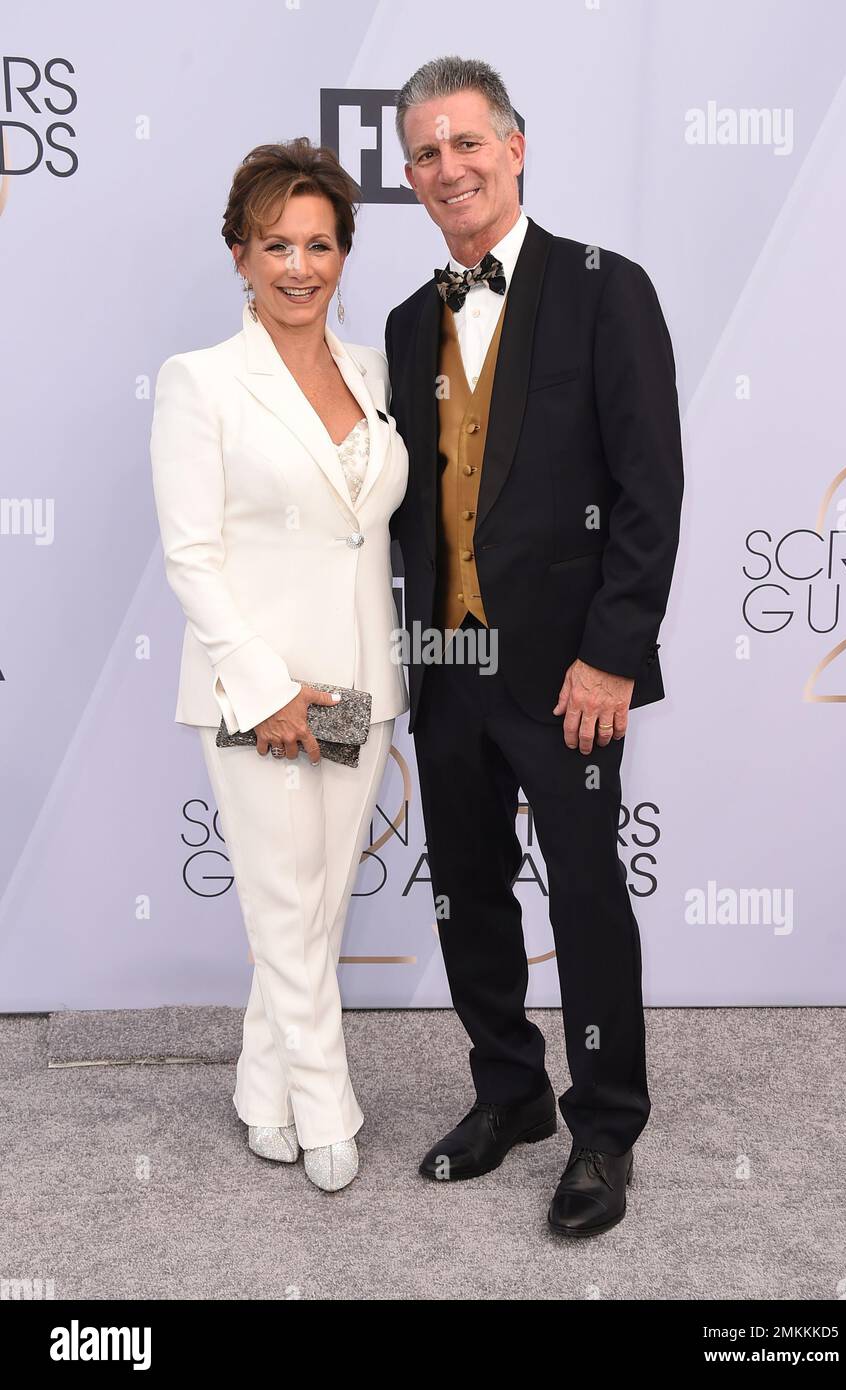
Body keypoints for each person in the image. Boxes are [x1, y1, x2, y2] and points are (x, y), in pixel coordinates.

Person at [386, 57, 684, 1235]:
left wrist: (611, 656)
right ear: (407, 176)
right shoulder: (412, 323)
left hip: (570, 675)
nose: (448, 167)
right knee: (465, 891)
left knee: (588, 896)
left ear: (514, 147)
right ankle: (508, 1093)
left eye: (467, 143)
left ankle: (605, 1124)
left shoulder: (608, 289)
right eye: (425, 153)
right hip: (450, 671)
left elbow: (649, 488)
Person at [149, 138, 409, 1191]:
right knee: (278, 902)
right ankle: (326, 1107)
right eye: (275, 245)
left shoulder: (372, 370)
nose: (299, 266)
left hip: (361, 686)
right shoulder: (199, 382)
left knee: (316, 908)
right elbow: (191, 557)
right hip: (255, 692)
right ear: (238, 255)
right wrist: (266, 689)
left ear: (344, 253)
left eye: (319, 244)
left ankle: (262, 1089)